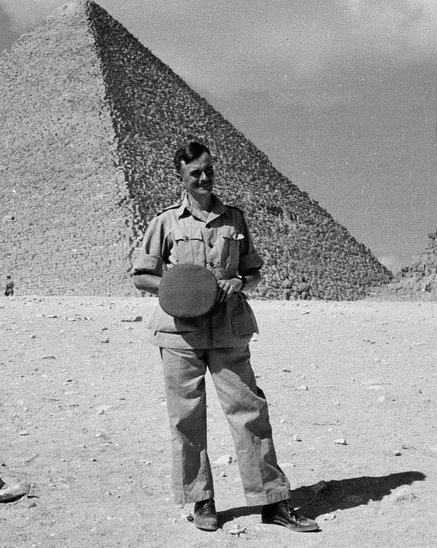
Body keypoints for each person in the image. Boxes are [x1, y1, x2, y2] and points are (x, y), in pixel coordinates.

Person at [132, 140, 318, 533]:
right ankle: (201, 500)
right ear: (180, 177)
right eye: (194, 173)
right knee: (186, 418)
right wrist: (179, 288)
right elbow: (142, 275)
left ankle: (273, 500)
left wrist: (240, 283)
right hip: (180, 333)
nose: (204, 178)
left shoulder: (235, 219)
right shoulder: (166, 222)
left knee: (249, 411)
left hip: (228, 329)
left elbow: (253, 271)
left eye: (208, 170)